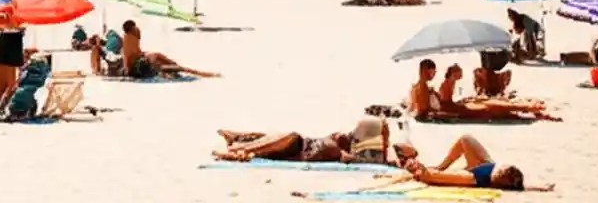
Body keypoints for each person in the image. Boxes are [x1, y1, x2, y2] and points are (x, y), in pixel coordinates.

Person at [400, 134, 554, 192]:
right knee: (465, 139)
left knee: (440, 172)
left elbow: (433, 177)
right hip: (486, 164)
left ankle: (440, 166)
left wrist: (418, 169)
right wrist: (540, 187)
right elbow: (521, 186)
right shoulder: (496, 171)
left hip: (477, 172)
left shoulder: (472, 178)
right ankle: (442, 164)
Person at [213, 118, 392, 164]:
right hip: (299, 144)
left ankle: (240, 148)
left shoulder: (344, 154)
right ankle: (240, 139)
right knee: (279, 137)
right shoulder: (343, 143)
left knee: (290, 136)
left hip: (298, 149)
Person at [120, 19, 218, 79]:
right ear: (132, 29)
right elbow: (128, 57)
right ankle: (178, 68)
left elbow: (136, 53)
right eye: (135, 29)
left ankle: (176, 66)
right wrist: (127, 69)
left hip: (139, 64)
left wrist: (144, 55)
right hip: (137, 67)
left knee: (157, 56)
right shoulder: (128, 38)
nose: (138, 31)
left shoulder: (130, 38)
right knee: (157, 57)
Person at [0, 6, 26, 102]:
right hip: (8, 41)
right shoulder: (1, 13)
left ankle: (5, 99)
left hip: (12, 42)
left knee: (9, 78)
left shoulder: (20, 14)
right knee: (5, 77)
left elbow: (19, 26)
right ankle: (1, 99)